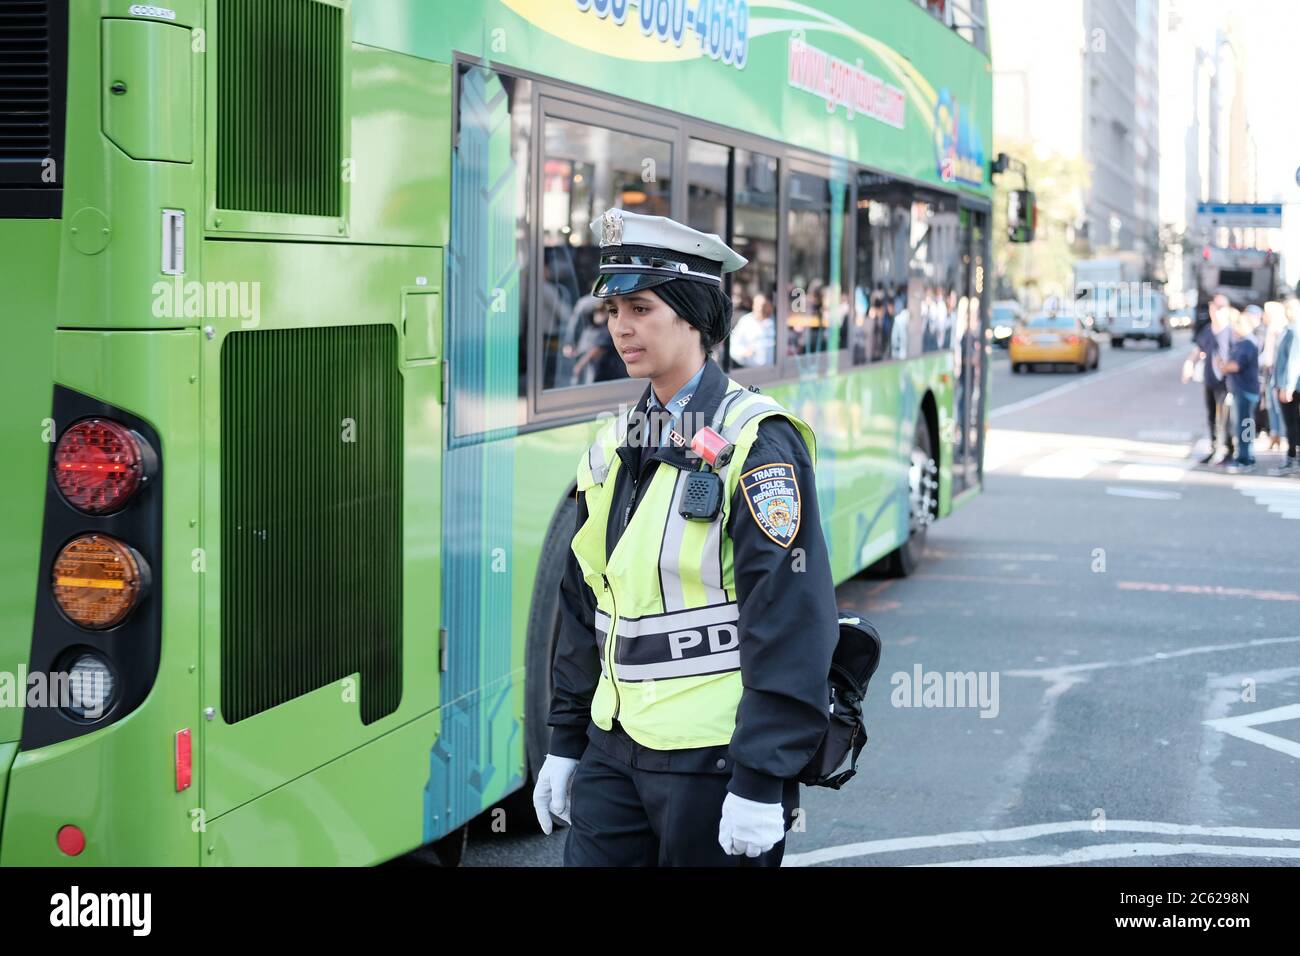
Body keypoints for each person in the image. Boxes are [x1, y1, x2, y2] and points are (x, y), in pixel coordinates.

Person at [532, 208, 839, 867]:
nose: (621, 327)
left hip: (713, 760)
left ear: (694, 313)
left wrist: (760, 778)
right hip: (614, 747)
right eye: (613, 309)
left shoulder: (758, 441)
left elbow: (791, 616)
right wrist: (564, 738)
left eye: (641, 307)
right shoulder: (614, 440)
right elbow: (586, 602)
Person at [1183, 294, 1234, 465]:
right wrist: (1189, 364)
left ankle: (1230, 450)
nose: (1215, 312)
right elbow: (1198, 350)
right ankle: (1214, 448)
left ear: (1226, 310)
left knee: (1226, 418)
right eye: (1213, 308)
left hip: (1226, 383)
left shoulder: (1231, 331)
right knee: (1212, 416)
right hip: (1210, 379)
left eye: (1219, 308)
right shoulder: (1207, 330)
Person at [1220, 307, 1260, 473]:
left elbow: (1235, 366)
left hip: (1245, 390)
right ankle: (1247, 455)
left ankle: (1245, 457)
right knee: (1246, 424)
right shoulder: (1243, 343)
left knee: (1244, 425)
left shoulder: (1247, 344)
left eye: (1238, 324)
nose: (1235, 327)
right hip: (1244, 389)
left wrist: (1224, 367)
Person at [1270, 297, 1300, 475]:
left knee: (1291, 423)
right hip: (1290, 384)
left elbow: (1293, 361)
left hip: (1291, 385)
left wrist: (1286, 386)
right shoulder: (1289, 329)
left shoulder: (1293, 330)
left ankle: (1291, 459)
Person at [729, 293, 775, 367]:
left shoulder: (775, 321)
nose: (761, 308)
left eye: (764, 305)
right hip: (751, 372)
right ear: (753, 305)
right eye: (758, 305)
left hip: (773, 371)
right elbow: (733, 345)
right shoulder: (746, 321)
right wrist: (743, 352)